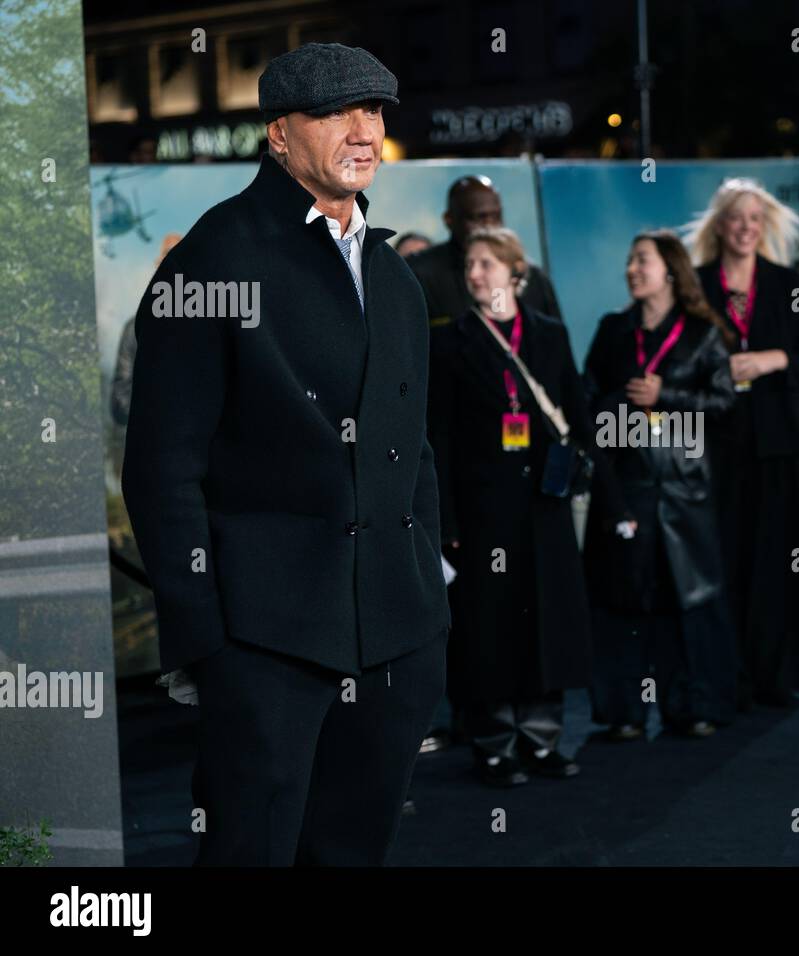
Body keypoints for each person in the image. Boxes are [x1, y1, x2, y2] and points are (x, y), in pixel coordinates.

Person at [121, 43, 449, 865]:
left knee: (351, 852)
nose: (364, 130)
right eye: (337, 112)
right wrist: (205, 645)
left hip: (393, 638)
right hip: (266, 645)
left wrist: (426, 600)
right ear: (278, 134)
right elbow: (163, 469)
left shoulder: (396, 275)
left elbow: (414, 452)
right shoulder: (214, 260)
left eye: (374, 111)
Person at [429, 226, 601, 786]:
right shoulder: (451, 342)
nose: (474, 273)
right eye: (470, 264)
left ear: (515, 272)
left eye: (487, 263)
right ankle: (494, 743)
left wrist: (577, 473)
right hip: (483, 517)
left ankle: (543, 739)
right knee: (489, 631)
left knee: (547, 625)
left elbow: (576, 412)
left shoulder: (549, 334)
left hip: (544, 509)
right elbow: (441, 440)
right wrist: (447, 521)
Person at [582, 229, 737, 740]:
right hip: (627, 485)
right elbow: (588, 400)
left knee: (688, 600)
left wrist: (665, 395)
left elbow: (723, 404)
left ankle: (693, 706)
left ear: (670, 270)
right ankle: (622, 713)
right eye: (629, 261)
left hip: (683, 489)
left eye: (642, 260)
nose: (632, 269)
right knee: (623, 599)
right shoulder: (613, 330)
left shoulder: (703, 333)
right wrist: (618, 407)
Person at [686, 177, 799, 708]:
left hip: (780, 444)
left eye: (754, 218)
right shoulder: (697, 286)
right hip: (717, 444)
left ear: (764, 225)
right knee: (725, 559)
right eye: (735, 218)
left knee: (781, 560)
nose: (745, 228)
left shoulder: (788, 283)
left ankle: (779, 674)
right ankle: (730, 674)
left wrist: (775, 359)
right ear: (720, 225)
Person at [406, 175, 562, 326]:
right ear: (449, 220)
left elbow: (553, 340)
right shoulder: (417, 274)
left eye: (495, 216)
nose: (489, 226)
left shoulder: (531, 276)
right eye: (477, 218)